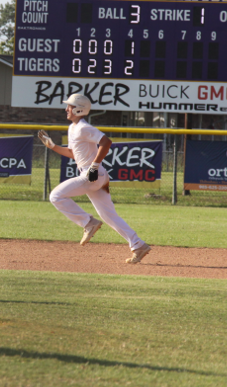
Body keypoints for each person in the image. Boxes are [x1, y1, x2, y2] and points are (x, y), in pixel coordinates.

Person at [38, 93, 152, 264]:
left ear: (78, 109)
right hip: (96, 175)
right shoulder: (73, 128)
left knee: (55, 196)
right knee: (109, 216)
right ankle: (138, 245)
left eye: (69, 106)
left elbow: (106, 142)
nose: (66, 109)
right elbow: (73, 154)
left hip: (92, 174)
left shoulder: (84, 127)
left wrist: (94, 165)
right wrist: (53, 146)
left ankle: (88, 222)